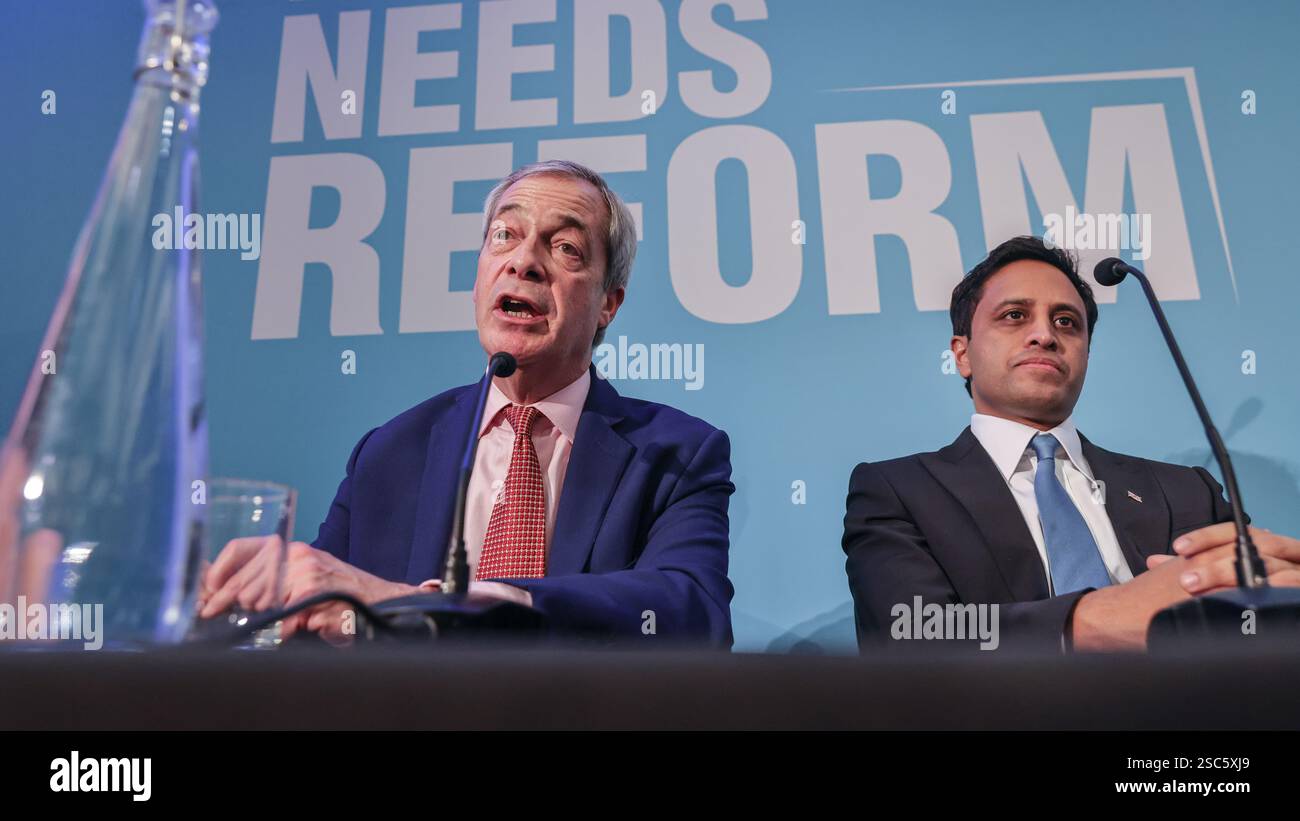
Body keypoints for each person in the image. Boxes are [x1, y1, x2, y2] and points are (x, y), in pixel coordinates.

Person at [200, 161, 735, 646]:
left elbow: (693, 614)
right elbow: (317, 615)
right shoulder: (389, 453)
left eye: (565, 247)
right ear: (479, 275)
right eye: (504, 235)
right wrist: (264, 598)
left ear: (608, 306)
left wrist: (470, 605)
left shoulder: (675, 454)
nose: (524, 261)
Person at [842, 235, 1300, 652]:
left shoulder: (1187, 492)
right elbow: (911, 629)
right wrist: (1102, 618)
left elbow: (1259, 634)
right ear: (962, 354)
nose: (1045, 335)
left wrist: (1272, 600)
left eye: (1066, 322)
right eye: (1014, 316)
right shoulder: (898, 490)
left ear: (1085, 353)